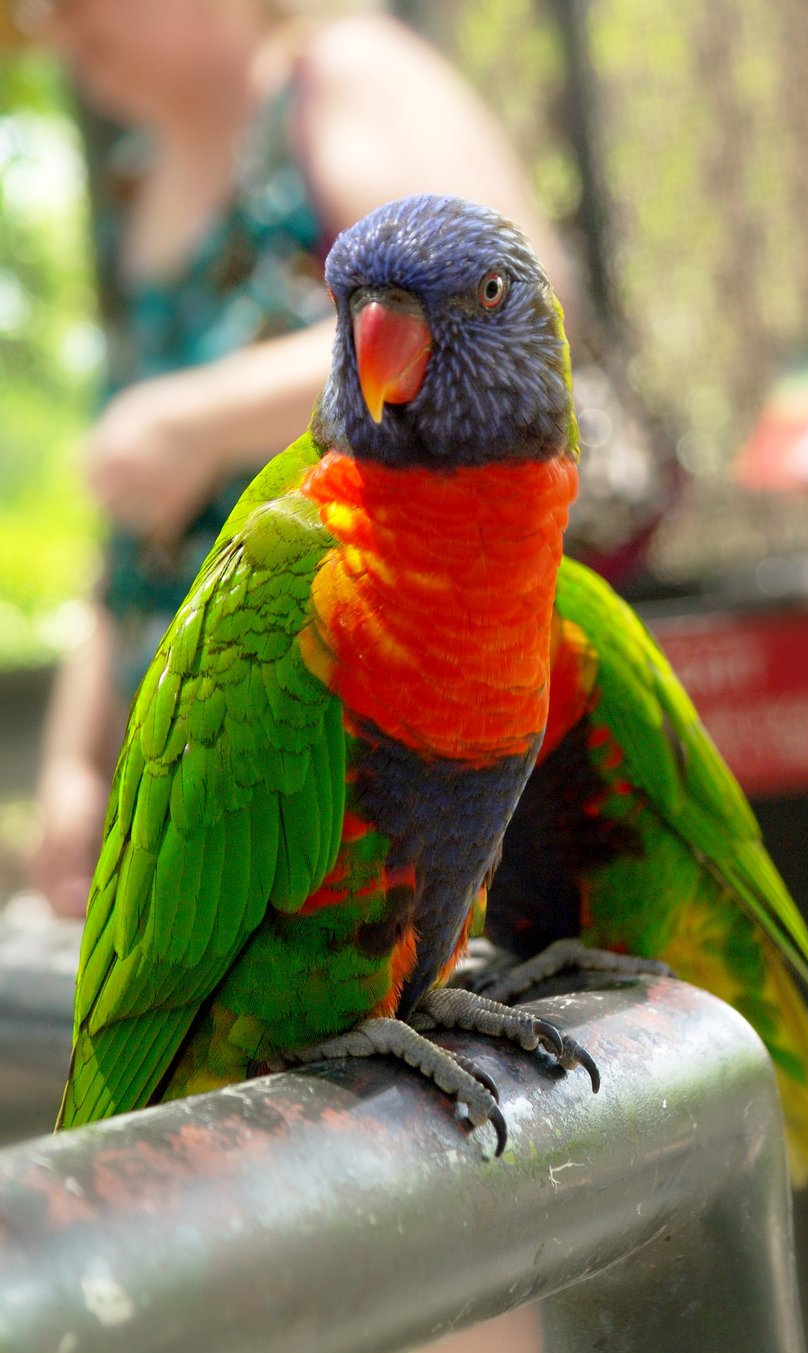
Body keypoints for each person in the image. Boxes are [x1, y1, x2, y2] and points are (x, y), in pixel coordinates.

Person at [17, 0, 571, 918]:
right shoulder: (127, 187)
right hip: (231, 786)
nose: (49, 20)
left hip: (420, 722)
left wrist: (200, 420)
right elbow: (128, 536)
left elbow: (519, 304)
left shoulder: (340, 76)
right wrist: (76, 763)